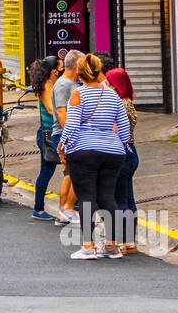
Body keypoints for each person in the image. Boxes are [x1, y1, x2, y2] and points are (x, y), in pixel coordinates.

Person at [58, 53, 131, 260]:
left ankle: (88, 246)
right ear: (99, 72)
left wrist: (62, 145)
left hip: (84, 152)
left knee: (87, 198)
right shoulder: (113, 95)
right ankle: (111, 245)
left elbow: (71, 126)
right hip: (113, 152)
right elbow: (124, 128)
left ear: (80, 74)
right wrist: (119, 144)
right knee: (108, 197)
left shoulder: (78, 95)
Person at [106, 65, 140, 254]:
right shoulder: (128, 102)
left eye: (109, 83)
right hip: (131, 152)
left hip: (122, 153)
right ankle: (130, 242)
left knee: (120, 199)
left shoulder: (121, 105)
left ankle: (122, 241)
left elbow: (117, 131)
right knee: (128, 197)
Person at [50, 49, 83, 226]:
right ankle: (65, 210)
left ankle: (65, 212)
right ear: (77, 65)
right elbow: (62, 113)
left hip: (69, 134)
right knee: (72, 174)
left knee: (70, 174)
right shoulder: (64, 85)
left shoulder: (73, 84)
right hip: (64, 134)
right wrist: (70, 136)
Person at [28, 55, 62, 222]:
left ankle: (72, 204)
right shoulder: (47, 86)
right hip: (49, 134)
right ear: (53, 70)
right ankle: (38, 209)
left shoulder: (50, 84)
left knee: (55, 170)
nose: (62, 68)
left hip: (48, 132)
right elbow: (50, 109)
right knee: (47, 171)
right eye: (60, 66)